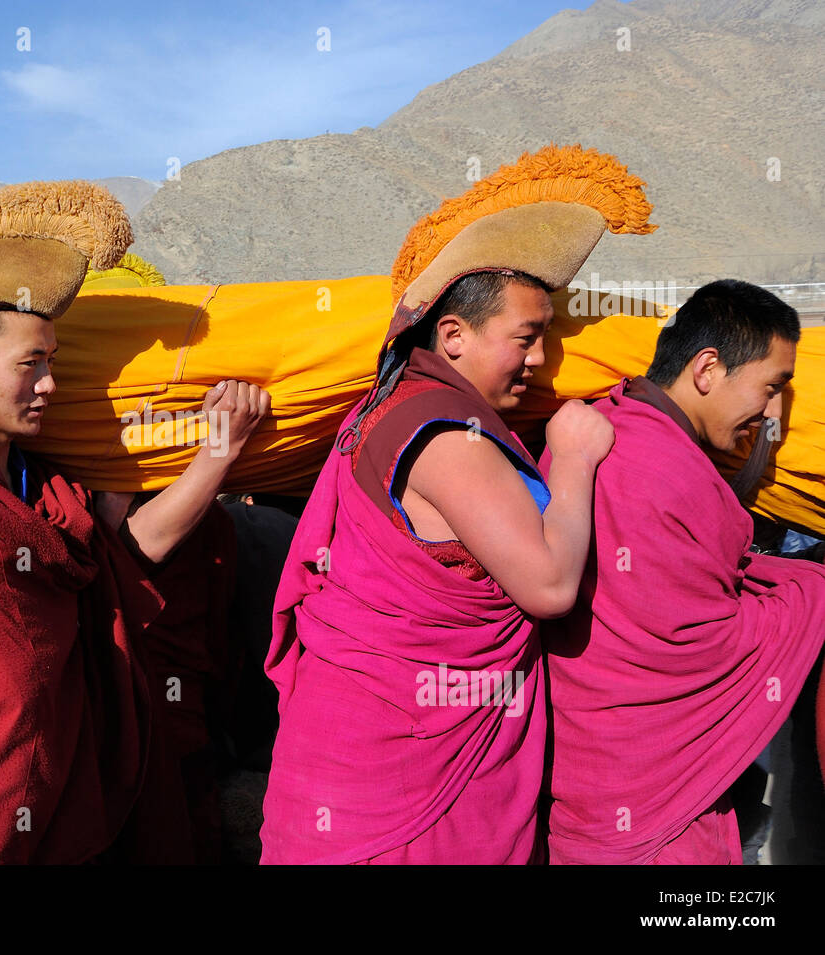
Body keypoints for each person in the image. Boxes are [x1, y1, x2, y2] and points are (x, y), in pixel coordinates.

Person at [0, 180, 269, 863]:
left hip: (51, 796)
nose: (49, 386)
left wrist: (217, 451)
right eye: (30, 365)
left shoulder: (48, 486)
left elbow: (125, 558)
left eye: (54, 365)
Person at [260, 145, 656, 864]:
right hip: (402, 776)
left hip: (359, 760)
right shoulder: (444, 431)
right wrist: (573, 457)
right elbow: (549, 584)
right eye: (526, 339)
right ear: (453, 336)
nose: (538, 361)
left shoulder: (391, 405)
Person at [543, 279, 825, 864]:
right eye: (770, 387)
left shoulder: (608, 422)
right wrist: (809, 589)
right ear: (707, 369)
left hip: (586, 773)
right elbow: (691, 643)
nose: (770, 413)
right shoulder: (662, 471)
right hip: (651, 794)